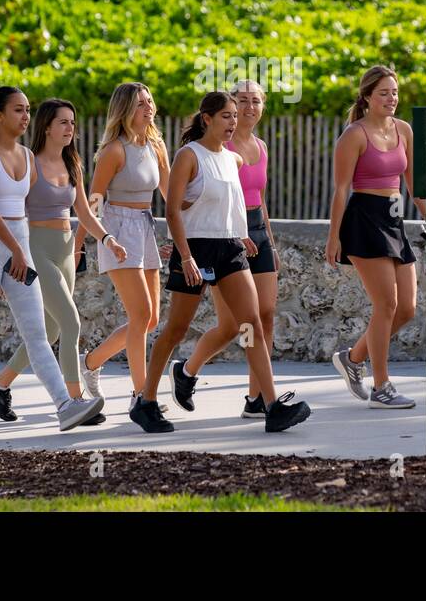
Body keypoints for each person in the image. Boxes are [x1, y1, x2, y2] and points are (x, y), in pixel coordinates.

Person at [131, 91, 311, 434]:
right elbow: (173, 209)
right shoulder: (189, 155)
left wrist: (240, 234)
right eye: (226, 116)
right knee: (176, 329)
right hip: (196, 250)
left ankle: (271, 406)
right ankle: (147, 401)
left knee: (252, 324)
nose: (232, 122)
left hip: (230, 248)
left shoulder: (234, 160)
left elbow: (234, 204)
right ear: (207, 119)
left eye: (234, 116)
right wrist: (184, 256)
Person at [0, 87, 104, 435]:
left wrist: (25, 251)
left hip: (19, 250)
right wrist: (16, 251)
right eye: (18, 110)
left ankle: (65, 406)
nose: (26, 116)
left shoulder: (29, 159)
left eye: (28, 110)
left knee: (38, 334)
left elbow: (29, 210)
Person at [0, 99, 127, 423]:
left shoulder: (73, 165)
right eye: (63, 122)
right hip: (36, 249)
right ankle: (76, 401)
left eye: (72, 122)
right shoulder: (28, 164)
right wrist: (8, 262)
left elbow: (85, 213)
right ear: (46, 126)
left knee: (49, 331)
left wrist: (107, 239)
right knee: (71, 323)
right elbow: (10, 214)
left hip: (65, 252)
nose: (70, 128)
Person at [168, 80, 280, 418]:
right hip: (222, 235)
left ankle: (256, 397)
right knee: (234, 325)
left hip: (254, 231)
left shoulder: (260, 147)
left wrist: (270, 243)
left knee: (265, 316)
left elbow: (260, 200)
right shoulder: (212, 149)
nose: (249, 108)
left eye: (255, 101)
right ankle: (187, 369)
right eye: (241, 101)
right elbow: (186, 200)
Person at [326, 65, 426, 409]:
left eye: (395, 92)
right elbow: (340, 190)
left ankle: (353, 359)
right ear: (367, 97)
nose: (391, 99)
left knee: (407, 309)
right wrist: (333, 236)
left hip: (394, 219)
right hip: (363, 220)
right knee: (386, 304)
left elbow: (414, 185)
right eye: (383, 93)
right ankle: (382, 387)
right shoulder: (354, 135)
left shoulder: (405, 130)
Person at [68, 83, 172, 409]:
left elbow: (173, 198)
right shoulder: (114, 150)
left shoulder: (156, 146)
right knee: (140, 314)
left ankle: (90, 362)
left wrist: (185, 235)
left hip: (145, 226)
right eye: (141, 104)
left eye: (150, 101)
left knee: (151, 319)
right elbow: (93, 203)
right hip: (117, 229)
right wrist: (80, 242)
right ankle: (141, 395)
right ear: (126, 109)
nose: (149, 108)